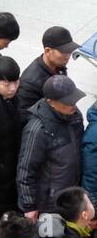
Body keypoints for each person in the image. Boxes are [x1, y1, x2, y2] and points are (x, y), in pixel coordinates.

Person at [19, 75, 86, 219]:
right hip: (49, 203)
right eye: (68, 102)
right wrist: (29, 206)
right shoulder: (37, 129)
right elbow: (26, 169)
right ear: (51, 102)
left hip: (72, 194)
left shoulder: (74, 115)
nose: (73, 105)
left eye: (74, 100)